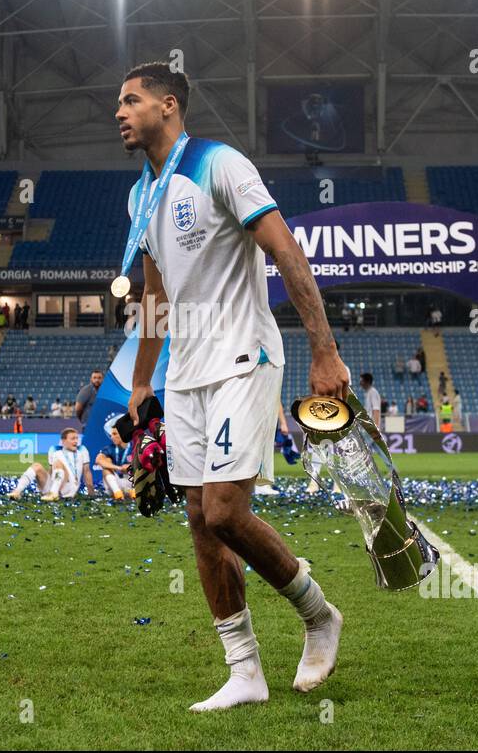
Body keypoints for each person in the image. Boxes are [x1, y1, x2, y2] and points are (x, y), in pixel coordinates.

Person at [116, 60, 347, 712]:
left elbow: (285, 250)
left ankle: (318, 612)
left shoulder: (219, 163)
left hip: (245, 354)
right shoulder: (142, 195)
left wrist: (322, 349)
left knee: (223, 509)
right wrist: (141, 382)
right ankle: (245, 672)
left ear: (169, 104)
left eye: (131, 100)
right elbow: (156, 294)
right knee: (198, 521)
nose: (120, 112)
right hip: (186, 373)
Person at [8, 427, 93, 501]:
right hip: (56, 484)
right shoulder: (56, 452)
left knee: (58, 463)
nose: (76, 441)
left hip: (69, 488)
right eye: (72, 439)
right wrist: (43, 482)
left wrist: (91, 491)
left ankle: (53, 493)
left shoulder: (82, 451)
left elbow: (87, 471)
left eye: (77, 438)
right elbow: (52, 472)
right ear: (63, 441)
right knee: (36, 466)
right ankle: (17, 491)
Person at [95, 427, 135, 501]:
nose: (112, 437)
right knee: (106, 467)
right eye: (111, 435)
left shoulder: (134, 447)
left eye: (115, 434)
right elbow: (98, 460)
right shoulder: (110, 448)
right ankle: (118, 494)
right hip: (117, 482)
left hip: (130, 481)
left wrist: (131, 466)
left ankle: (134, 492)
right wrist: (118, 468)